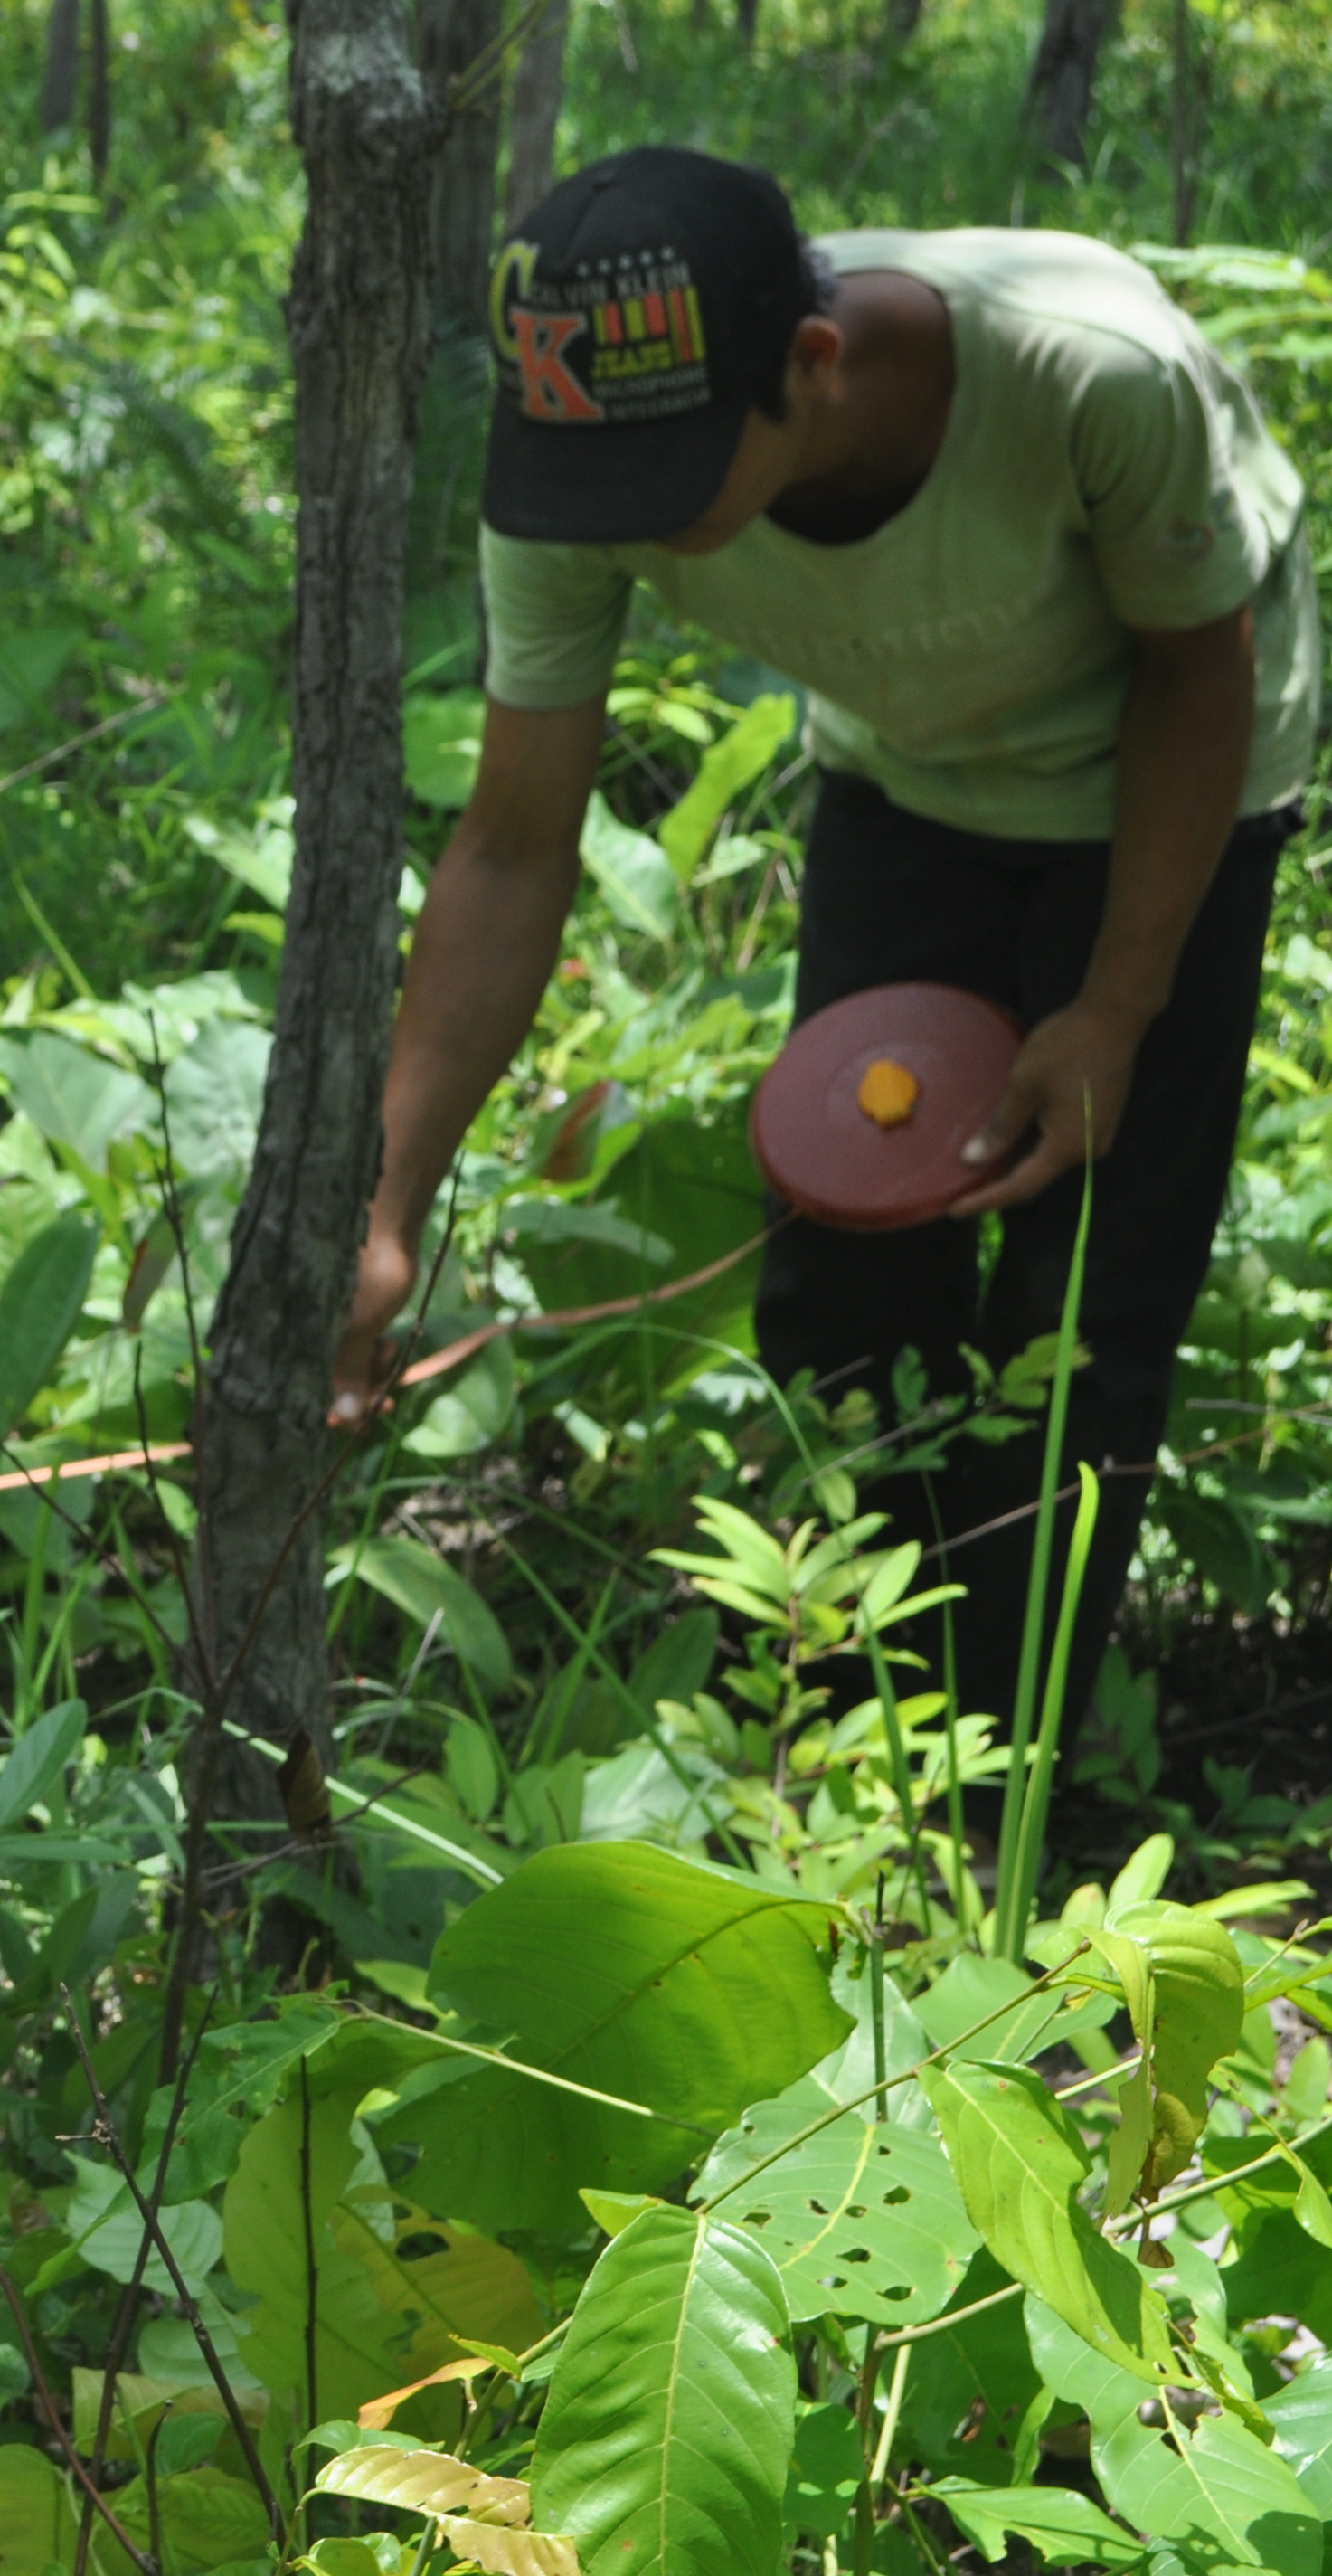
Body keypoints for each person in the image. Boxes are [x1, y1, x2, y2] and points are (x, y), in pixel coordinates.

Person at [338, 147, 1318, 1735]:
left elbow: (1196, 679)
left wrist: (1116, 1009)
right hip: (906, 779)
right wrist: (385, 1202)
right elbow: (515, 846)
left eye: (669, 483)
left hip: (1172, 776)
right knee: (847, 1270)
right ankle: (852, 1727)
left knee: (1080, 1316)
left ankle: (1000, 1784)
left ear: (811, 367)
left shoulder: (1091, 377)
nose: (620, 528)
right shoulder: (584, 451)